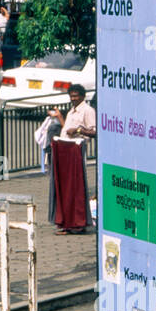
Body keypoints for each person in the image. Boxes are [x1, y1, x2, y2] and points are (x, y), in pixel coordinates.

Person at [47, 84, 96, 235]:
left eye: (76, 96)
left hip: (75, 151)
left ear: (82, 96)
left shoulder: (87, 111)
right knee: (63, 188)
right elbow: (65, 130)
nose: (73, 98)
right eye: (71, 96)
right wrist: (60, 118)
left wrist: (79, 130)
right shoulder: (71, 111)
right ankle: (66, 221)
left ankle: (76, 223)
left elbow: (94, 131)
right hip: (64, 150)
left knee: (74, 187)